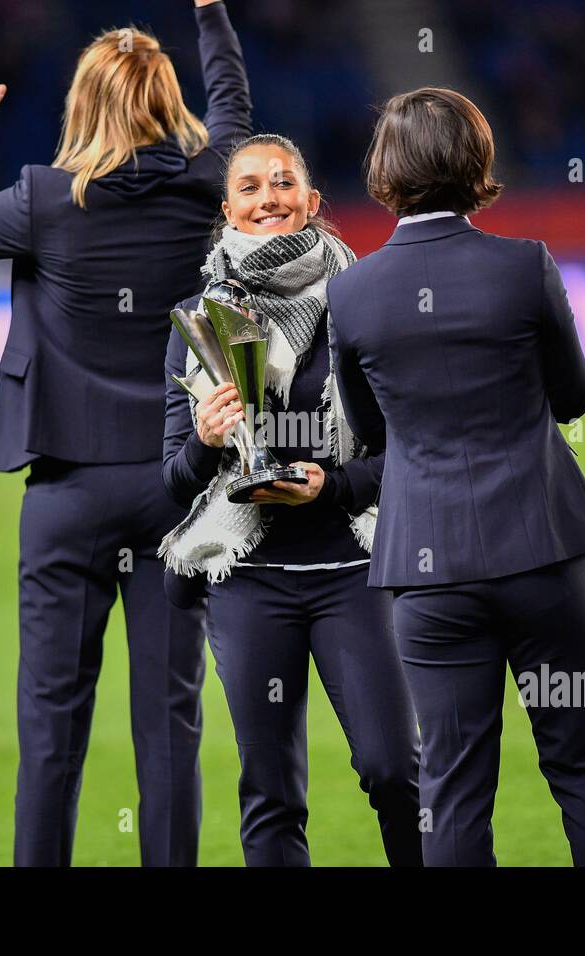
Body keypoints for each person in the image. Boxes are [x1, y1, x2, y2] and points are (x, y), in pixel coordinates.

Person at [0, 0, 250, 866]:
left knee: (50, 724)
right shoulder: (211, 183)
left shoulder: (42, 200)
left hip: (66, 495)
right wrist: (210, 14)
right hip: (177, 488)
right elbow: (234, 111)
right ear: (167, 101)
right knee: (170, 721)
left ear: (81, 106)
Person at [328, 87, 585, 867]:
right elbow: (573, 394)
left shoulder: (353, 290)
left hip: (428, 569)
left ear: (387, 169)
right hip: (544, 548)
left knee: (455, 787)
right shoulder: (523, 264)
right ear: (476, 161)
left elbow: (369, 433)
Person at [161, 133, 421, 867]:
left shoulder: (362, 300)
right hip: (250, 582)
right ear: (228, 210)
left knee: (394, 769)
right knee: (271, 792)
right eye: (250, 186)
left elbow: (407, 450)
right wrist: (207, 443)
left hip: (355, 571)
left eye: (283, 182)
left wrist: (330, 488)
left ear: (311, 200)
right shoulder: (200, 316)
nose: (268, 196)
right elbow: (172, 483)